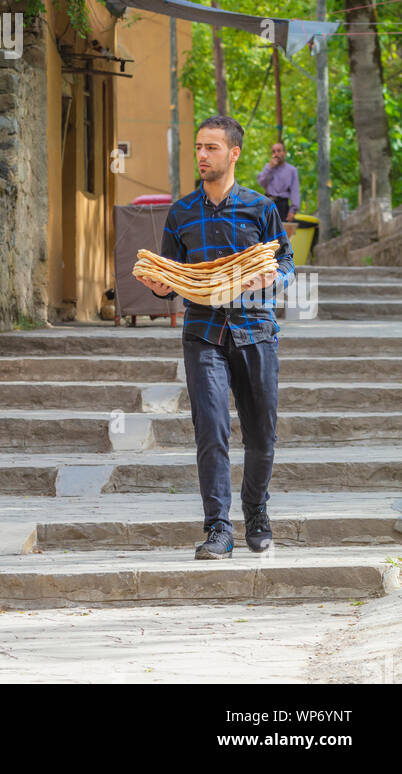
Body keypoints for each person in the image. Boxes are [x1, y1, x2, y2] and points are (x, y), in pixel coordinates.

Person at [136, 116, 295, 561]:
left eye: (211, 148)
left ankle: (256, 512)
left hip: (256, 330)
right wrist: (159, 285)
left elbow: (287, 262)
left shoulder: (261, 208)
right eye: (199, 148)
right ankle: (219, 528)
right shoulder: (182, 212)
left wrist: (272, 278)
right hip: (203, 331)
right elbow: (166, 270)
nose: (202, 155)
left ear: (234, 154)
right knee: (211, 430)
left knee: (262, 434)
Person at [256, 141, 301, 223]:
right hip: (267, 202)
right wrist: (270, 168)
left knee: (280, 233)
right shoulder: (268, 167)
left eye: (279, 151)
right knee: (264, 232)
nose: (276, 154)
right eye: (273, 152)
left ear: (284, 153)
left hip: (282, 206)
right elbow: (261, 183)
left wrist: (293, 210)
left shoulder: (291, 170)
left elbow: (295, 191)